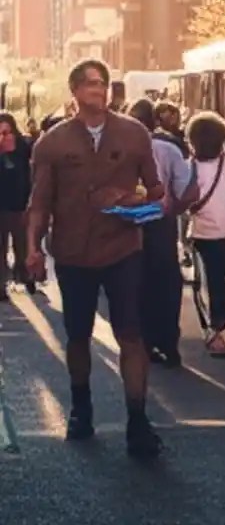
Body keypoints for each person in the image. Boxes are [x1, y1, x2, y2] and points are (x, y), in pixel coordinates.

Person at [26, 59, 165, 458]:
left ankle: (138, 421)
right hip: (72, 252)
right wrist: (33, 248)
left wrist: (130, 198)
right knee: (78, 335)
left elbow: (156, 192)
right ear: (74, 91)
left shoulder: (135, 134)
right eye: (89, 84)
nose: (98, 90)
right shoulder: (53, 143)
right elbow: (39, 203)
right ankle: (80, 408)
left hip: (123, 248)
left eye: (103, 83)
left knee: (131, 334)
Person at [128, 99, 195, 367]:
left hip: (130, 223)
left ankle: (145, 341)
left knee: (137, 283)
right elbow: (188, 190)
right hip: (161, 222)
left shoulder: (122, 148)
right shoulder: (169, 149)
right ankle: (168, 341)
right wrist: (174, 208)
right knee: (167, 283)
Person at [186, 111, 225, 359]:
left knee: (209, 285)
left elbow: (185, 199)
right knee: (219, 283)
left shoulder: (189, 167)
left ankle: (214, 329)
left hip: (202, 234)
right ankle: (215, 329)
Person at [0, 112, 33, 300]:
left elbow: (29, 170)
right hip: (1, 204)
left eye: (8, 131)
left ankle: (26, 275)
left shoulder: (22, 146)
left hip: (20, 203)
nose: (5, 136)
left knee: (22, 244)